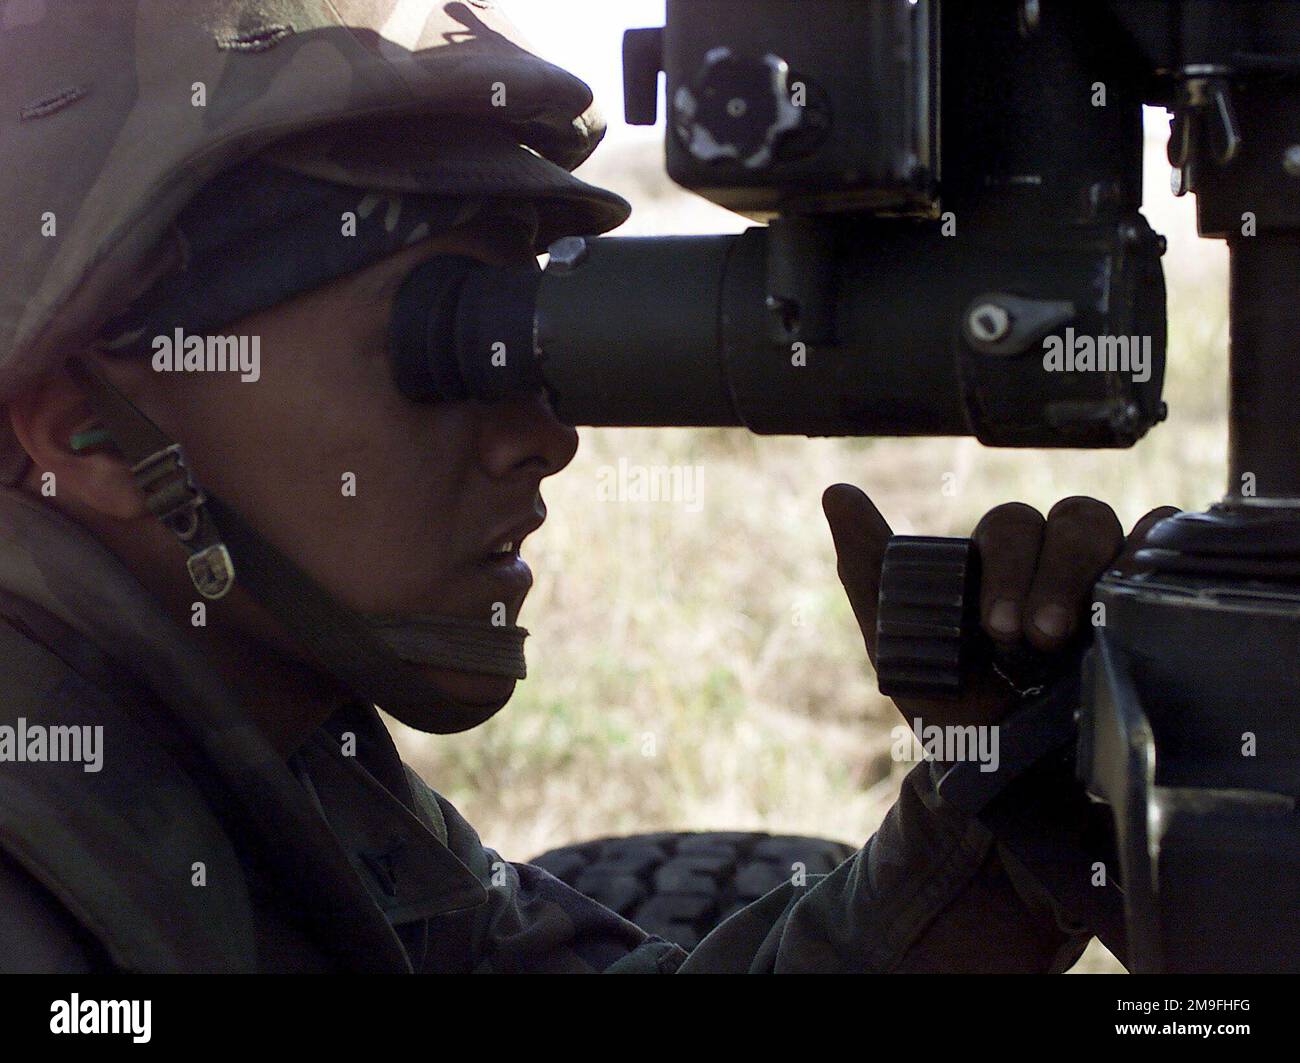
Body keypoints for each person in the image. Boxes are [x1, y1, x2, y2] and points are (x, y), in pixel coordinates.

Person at [0, 0, 1170, 972]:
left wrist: (993, 811)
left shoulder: (266, 734)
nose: (543, 439)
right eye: (448, 345)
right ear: (90, 433)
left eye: (536, 338)